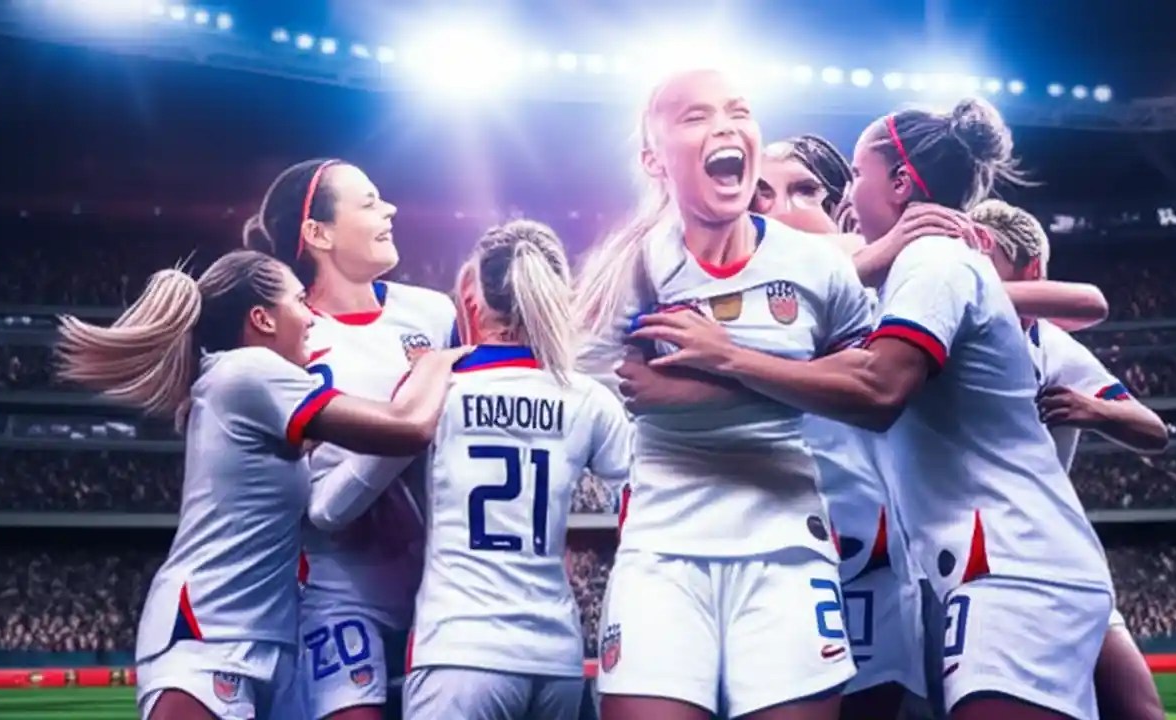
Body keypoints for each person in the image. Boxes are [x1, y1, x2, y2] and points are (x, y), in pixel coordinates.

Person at [633, 98, 1115, 720]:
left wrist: (725, 358)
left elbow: (877, 390)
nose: (842, 198)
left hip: (1000, 560)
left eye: (850, 177)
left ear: (898, 183)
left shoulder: (931, 264)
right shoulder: (892, 275)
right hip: (962, 564)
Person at [574, 67, 880, 720]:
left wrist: (722, 362)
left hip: (788, 548)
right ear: (653, 158)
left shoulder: (818, 266)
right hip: (661, 549)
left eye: (739, 111)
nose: (725, 126)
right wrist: (795, 377)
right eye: (694, 116)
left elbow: (874, 394)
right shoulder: (632, 268)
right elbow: (617, 385)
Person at [54, 250, 466, 720]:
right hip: (207, 635)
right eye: (297, 300)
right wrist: (437, 362)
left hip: (261, 637)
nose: (310, 316)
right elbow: (405, 425)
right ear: (262, 319)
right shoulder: (250, 371)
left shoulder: (241, 384)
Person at [243, 158, 457, 720]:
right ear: (318, 233)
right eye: (368, 202)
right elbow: (317, 508)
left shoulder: (433, 313)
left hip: (444, 590)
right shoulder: (289, 338)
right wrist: (410, 418)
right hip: (337, 593)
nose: (389, 210)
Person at [403, 219, 632, 720]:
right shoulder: (585, 396)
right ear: (557, 290)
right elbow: (645, 497)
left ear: (475, 295)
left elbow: (335, 508)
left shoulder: (436, 389)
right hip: (557, 658)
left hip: (461, 651)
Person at [971, 198, 1169, 720]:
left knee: (1140, 709)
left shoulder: (1054, 347)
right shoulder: (945, 324)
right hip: (962, 556)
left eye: (981, 256)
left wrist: (1094, 409)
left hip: (1053, 550)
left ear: (1030, 270)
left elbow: (1154, 431)